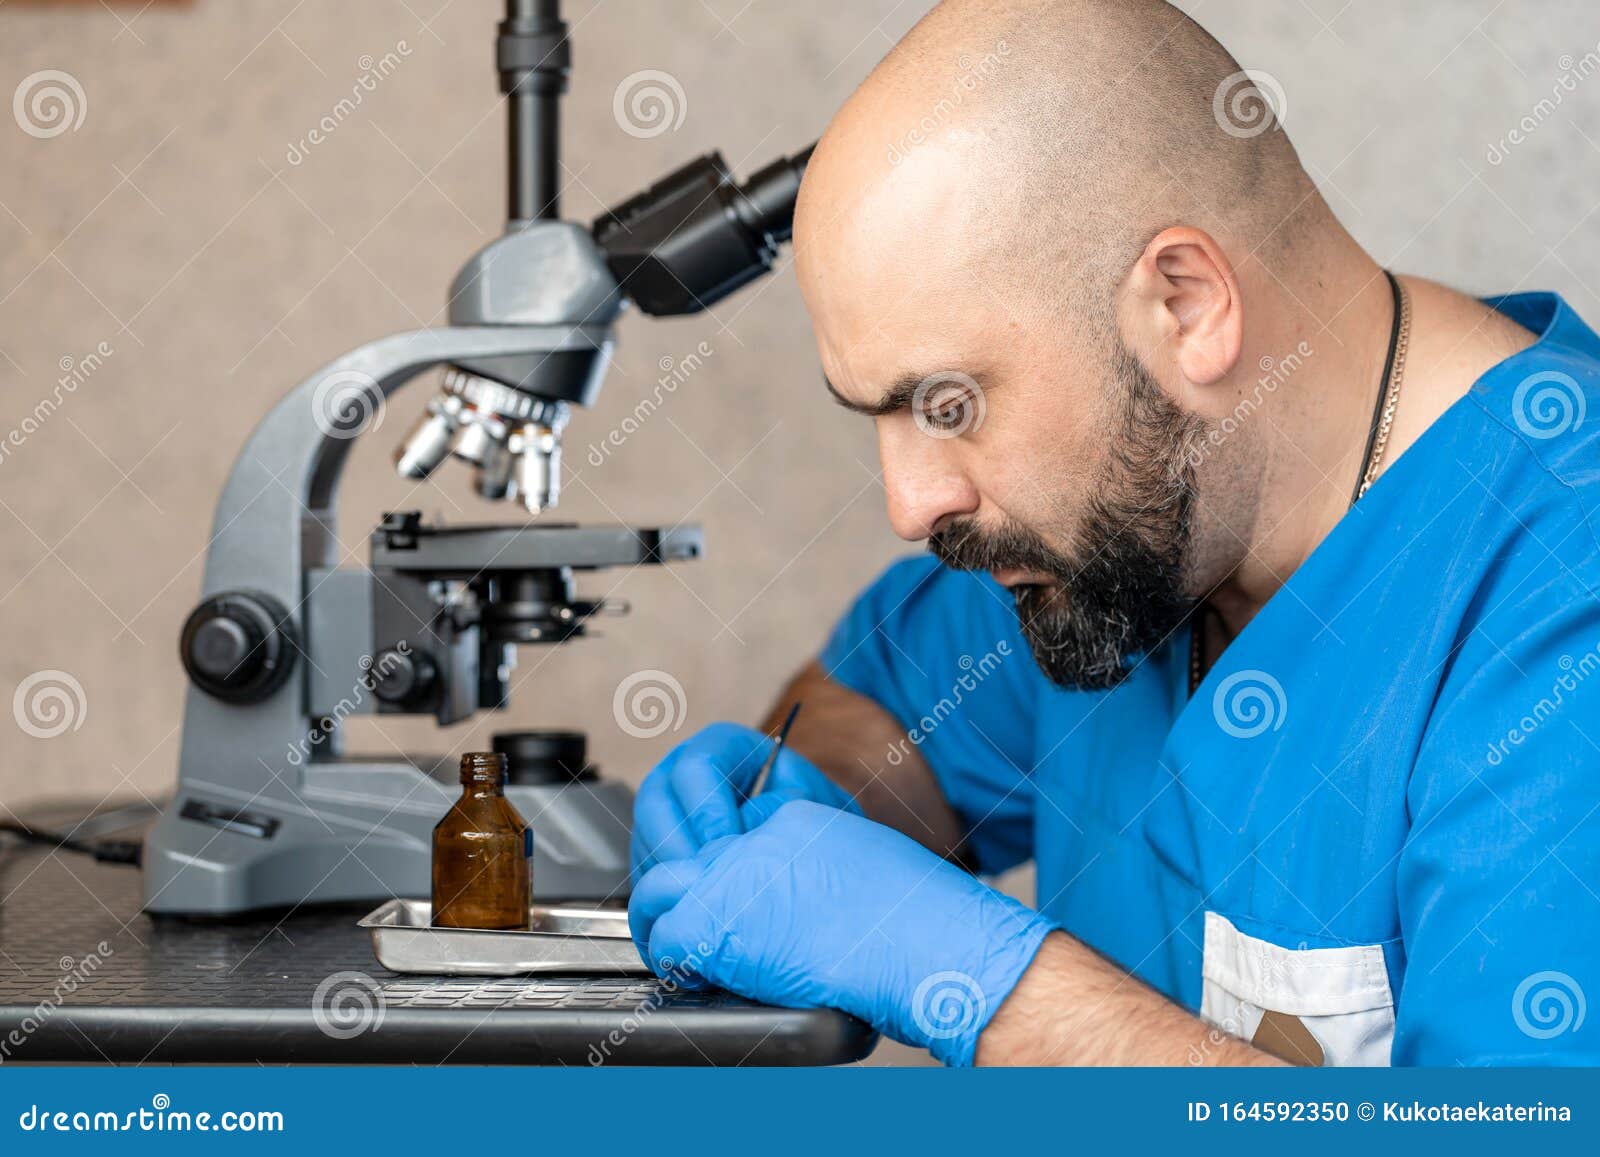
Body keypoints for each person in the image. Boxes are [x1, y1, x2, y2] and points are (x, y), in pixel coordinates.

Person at [627, 0, 1600, 1066]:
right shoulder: (1107, 533)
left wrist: (991, 982)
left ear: (1184, 305)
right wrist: (798, 819)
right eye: (880, 416)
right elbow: (882, 715)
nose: (910, 505)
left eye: (946, 405)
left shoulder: (1556, 594)